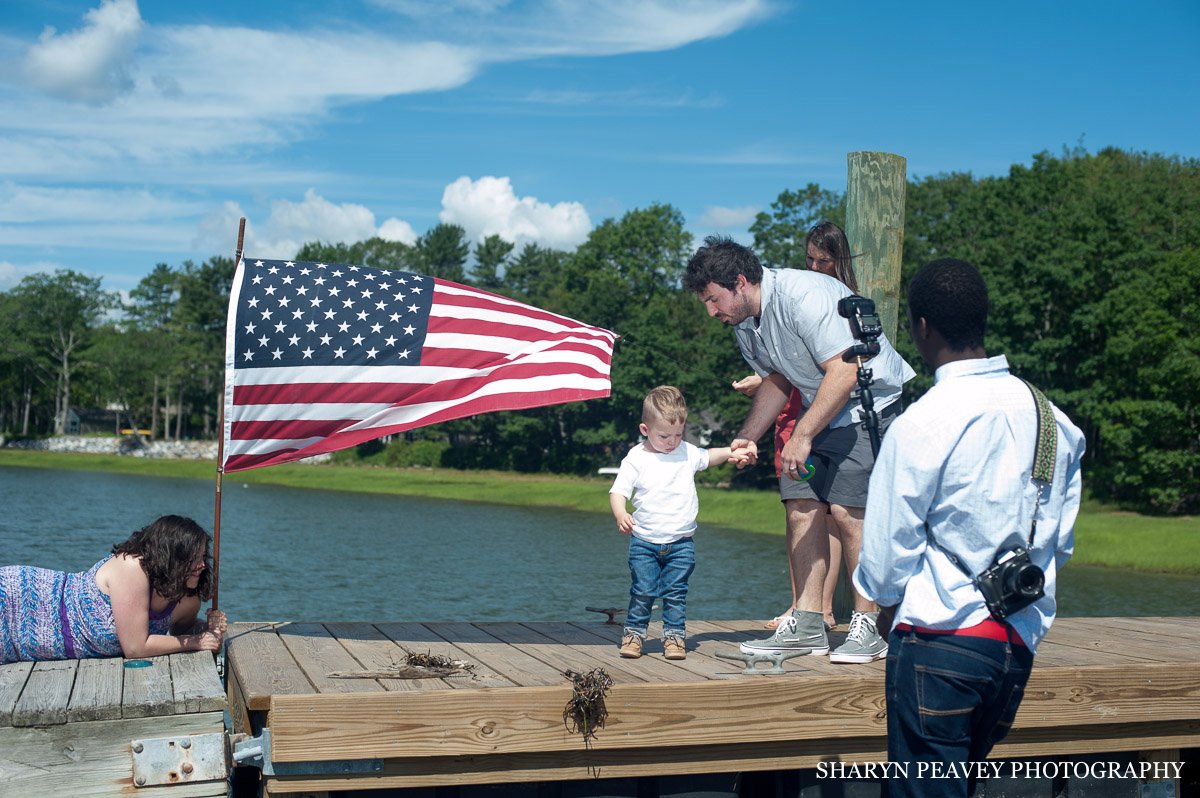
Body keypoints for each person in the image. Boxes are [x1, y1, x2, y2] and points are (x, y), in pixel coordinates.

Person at [853, 259, 1084, 797]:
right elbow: (1059, 543)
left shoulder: (923, 422)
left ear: (922, 327)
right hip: (1015, 646)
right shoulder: (1054, 421)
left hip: (939, 641)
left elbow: (885, 561)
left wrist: (885, 608)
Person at [683, 236, 914, 664]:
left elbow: (845, 370)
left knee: (848, 511)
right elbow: (777, 379)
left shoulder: (803, 295)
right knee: (800, 504)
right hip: (823, 406)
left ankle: (867, 626)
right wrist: (749, 434)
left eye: (714, 300)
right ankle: (808, 622)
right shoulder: (745, 325)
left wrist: (802, 436)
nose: (712, 311)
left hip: (868, 406)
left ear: (739, 282)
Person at [733, 220, 860, 632]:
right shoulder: (781, 303)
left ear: (840, 262)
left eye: (824, 260)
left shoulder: (839, 301)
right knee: (799, 505)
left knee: (837, 511)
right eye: (809, 259)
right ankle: (801, 608)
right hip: (793, 408)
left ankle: (826, 609)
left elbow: (841, 367)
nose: (815, 267)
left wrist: (776, 387)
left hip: (838, 411)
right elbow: (787, 365)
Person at [609, 386, 747, 660]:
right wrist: (620, 513)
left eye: (678, 434)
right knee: (643, 590)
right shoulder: (637, 457)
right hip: (645, 541)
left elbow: (710, 456)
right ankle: (634, 634)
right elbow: (618, 491)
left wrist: (731, 453)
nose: (672, 441)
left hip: (682, 543)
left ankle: (673, 637)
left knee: (675, 594)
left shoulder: (687, 452)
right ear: (645, 429)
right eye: (664, 436)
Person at [1, 515, 227, 663]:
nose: (202, 565)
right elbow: (135, 648)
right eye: (194, 558)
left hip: (42, 644)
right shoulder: (132, 568)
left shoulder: (186, 598)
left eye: (202, 557)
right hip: (21, 599)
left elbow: (179, 632)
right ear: (174, 557)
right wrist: (197, 642)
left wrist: (209, 629)